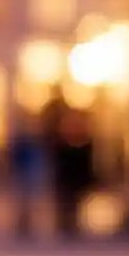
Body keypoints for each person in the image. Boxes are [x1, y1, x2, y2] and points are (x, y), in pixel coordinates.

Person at [44, 99, 95, 238]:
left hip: (74, 178)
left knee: (73, 202)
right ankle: (64, 225)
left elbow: (86, 162)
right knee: (65, 202)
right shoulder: (63, 142)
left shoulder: (84, 143)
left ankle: (71, 224)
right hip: (66, 177)